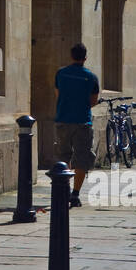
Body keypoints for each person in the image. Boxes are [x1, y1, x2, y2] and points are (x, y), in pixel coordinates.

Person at [54, 43, 100, 209]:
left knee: (64, 156)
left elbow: (58, 95)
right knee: (81, 159)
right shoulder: (91, 77)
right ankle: (75, 194)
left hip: (63, 120)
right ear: (85, 58)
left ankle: (63, 189)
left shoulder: (61, 73)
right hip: (82, 122)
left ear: (71, 56)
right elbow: (93, 101)